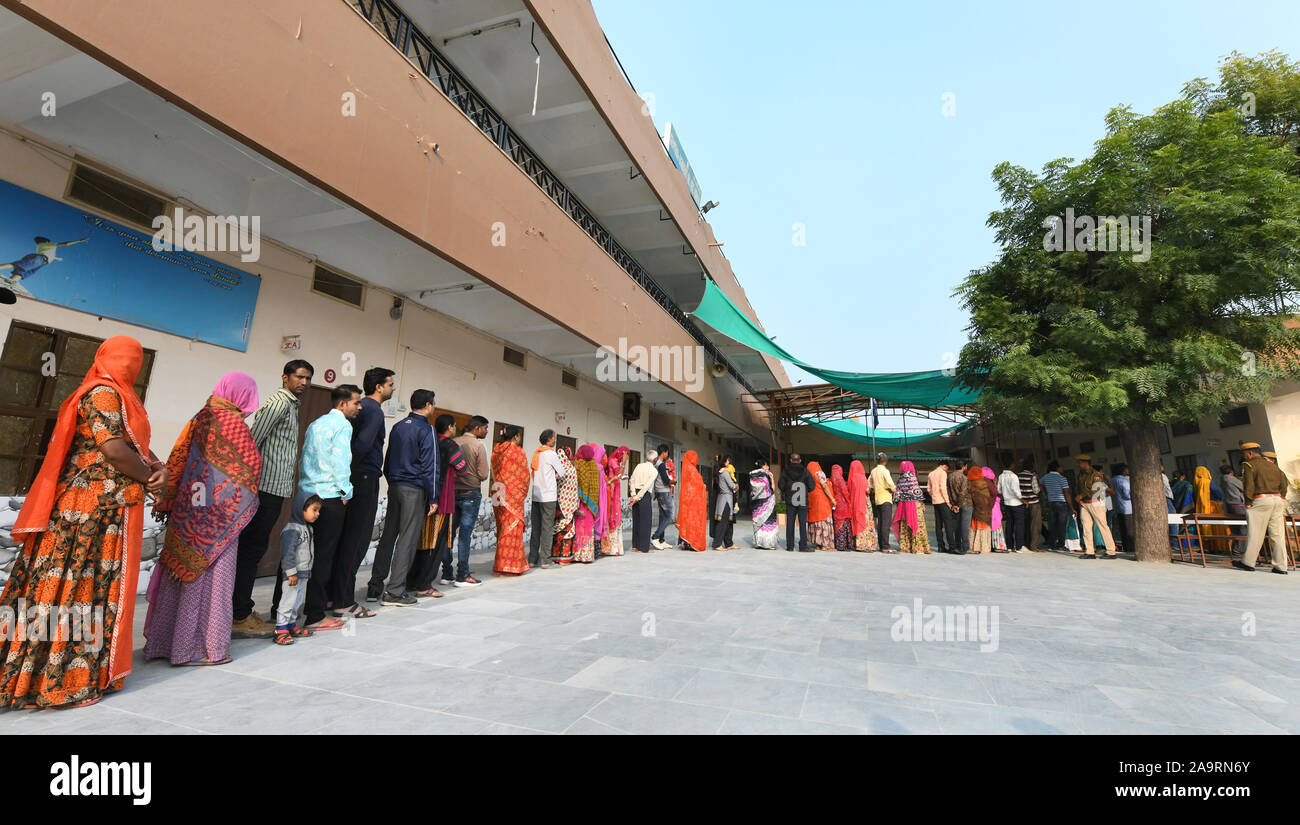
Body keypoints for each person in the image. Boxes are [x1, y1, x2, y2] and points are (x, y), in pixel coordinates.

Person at [0, 336, 164, 709]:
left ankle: (66, 671)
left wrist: (156, 468)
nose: (128, 366)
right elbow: (114, 449)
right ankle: (56, 679)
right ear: (108, 360)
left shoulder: (121, 398)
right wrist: (148, 476)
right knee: (76, 587)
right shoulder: (103, 393)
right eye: (125, 359)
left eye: (133, 360)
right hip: (89, 513)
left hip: (104, 511)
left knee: (82, 589)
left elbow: (133, 444)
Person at [145, 372, 262, 666]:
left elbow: (180, 459)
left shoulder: (201, 416)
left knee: (179, 575)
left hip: (187, 510)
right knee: (214, 581)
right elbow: (248, 472)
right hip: (220, 516)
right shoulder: (233, 424)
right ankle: (202, 648)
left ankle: (165, 644)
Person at [232, 359, 313, 640]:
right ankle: (239, 613)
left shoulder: (291, 405)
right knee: (251, 549)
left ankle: (240, 609)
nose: (303, 382)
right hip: (263, 487)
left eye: (307, 378)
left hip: (276, 489)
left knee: (256, 547)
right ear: (285, 377)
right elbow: (253, 439)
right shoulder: (279, 403)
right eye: (299, 377)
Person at [296, 384, 362, 630]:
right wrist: (346, 491)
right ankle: (315, 615)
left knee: (299, 553)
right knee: (323, 557)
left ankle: (281, 611)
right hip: (330, 497)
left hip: (307, 494)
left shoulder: (315, 424)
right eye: (356, 402)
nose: (359, 407)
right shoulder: (343, 425)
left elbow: (305, 457)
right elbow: (341, 460)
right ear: (342, 404)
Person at [370, 389, 439, 603]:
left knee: (388, 536)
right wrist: (433, 496)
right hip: (413, 489)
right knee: (407, 540)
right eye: (433, 404)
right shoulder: (427, 430)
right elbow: (431, 466)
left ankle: (374, 586)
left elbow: (388, 458)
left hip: (396, 486)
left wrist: (393, 483)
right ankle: (395, 590)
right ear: (427, 405)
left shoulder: (398, 427)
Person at [340, 367, 393, 616]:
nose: (393, 388)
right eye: (390, 384)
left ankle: (336, 597)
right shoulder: (373, 410)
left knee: (348, 539)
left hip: (355, 477)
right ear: (379, 387)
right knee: (357, 540)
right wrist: (355, 471)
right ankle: (344, 601)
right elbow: (362, 444)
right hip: (363, 477)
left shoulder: (365, 409)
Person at [409, 414, 466, 596]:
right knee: (435, 545)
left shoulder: (429, 440)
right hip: (443, 501)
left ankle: (412, 581)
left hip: (424, 497)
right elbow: (462, 468)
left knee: (419, 542)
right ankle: (424, 585)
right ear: (449, 427)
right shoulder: (450, 445)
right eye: (454, 426)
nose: (455, 429)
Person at [1235, 442, 1291, 574]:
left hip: (1260, 500)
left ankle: (1248, 562)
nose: (1245, 457)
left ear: (1249, 453)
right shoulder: (1273, 466)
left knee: (1256, 532)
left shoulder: (1249, 465)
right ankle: (1281, 566)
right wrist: (1281, 496)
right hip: (1277, 500)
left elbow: (1248, 485)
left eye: (1244, 454)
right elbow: (1284, 483)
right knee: (1277, 535)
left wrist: (1248, 501)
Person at [273, 492, 321, 645]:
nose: (317, 514)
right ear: (301, 509)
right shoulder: (292, 529)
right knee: (288, 601)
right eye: (314, 510)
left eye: (318, 510)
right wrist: (291, 572)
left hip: (304, 573)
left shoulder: (308, 528)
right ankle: (280, 629)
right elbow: (288, 553)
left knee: (297, 602)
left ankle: (291, 625)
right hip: (293, 575)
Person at [448, 415, 490, 587]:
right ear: (477, 428)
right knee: (465, 535)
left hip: (452, 492)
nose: (486, 431)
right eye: (486, 428)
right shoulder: (478, 446)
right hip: (470, 494)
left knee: (448, 534)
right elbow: (483, 474)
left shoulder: (453, 442)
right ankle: (463, 574)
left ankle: (446, 572)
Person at [490, 426, 530, 576]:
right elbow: (525, 476)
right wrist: (522, 493)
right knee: (512, 530)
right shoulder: (519, 452)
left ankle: (500, 563)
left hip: (498, 492)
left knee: (502, 529)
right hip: (513, 495)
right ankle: (509, 565)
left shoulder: (496, 451)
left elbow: (493, 471)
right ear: (515, 437)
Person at [528, 429, 565, 567]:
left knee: (536, 528)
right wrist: (553, 477)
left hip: (536, 495)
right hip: (548, 495)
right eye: (554, 438)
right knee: (547, 528)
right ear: (549, 439)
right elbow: (561, 472)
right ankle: (545, 560)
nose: (555, 440)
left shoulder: (536, 453)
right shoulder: (551, 454)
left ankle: (532, 559)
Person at [1074, 454, 1117, 559]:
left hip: (1096, 503)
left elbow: (1096, 489)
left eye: (1079, 462)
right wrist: (1080, 499)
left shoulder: (1096, 474)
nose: (1078, 464)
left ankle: (1111, 551)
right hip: (1085, 504)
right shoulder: (1080, 474)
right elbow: (1079, 487)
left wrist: (1081, 496)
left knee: (1103, 526)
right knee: (1086, 527)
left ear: (1085, 463)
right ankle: (1090, 551)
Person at [571, 444, 604, 562]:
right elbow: (595, 486)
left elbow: (574, 481)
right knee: (588, 527)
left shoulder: (576, 464)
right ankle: (587, 555)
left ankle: (577, 554)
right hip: (591, 503)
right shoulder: (594, 466)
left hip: (578, 502)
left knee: (579, 528)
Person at [892, 460, 930, 554]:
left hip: (903, 506)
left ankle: (906, 547)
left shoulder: (900, 478)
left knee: (905, 526)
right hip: (914, 505)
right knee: (917, 525)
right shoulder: (912, 477)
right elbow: (917, 492)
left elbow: (897, 494)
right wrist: (922, 503)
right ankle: (918, 548)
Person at [1191, 465, 1231, 555]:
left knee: (1205, 526)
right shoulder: (1207, 482)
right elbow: (1218, 493)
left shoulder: (1196, 483)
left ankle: (1209, 547)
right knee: (1217, 527)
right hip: (1212, 506)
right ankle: (1219, 547)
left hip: (1201, 508)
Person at [778, 454, 813, 552]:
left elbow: (781, 485)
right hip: (802, 500)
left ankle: (790, 546)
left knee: (790, 523)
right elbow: (811, 486)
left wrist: (787, 490)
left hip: (790, 500)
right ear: (800, 460)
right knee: (802, 523)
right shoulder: (805, 471)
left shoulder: (786, 471)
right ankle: (803, 546)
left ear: (791, 460)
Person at [552, 446, 580, 563]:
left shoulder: (558, 469)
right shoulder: (571, 469)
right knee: (568, 530)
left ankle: (555, 555)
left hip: (558, 505)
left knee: (557, 529)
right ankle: (566, 555)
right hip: (569, 506)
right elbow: (574, 489)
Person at [628, 450, 659, 552]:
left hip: (635, 493)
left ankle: (635, 545)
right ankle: (644, 547)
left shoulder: (639, 466)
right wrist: (637, 497)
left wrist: (633, 494)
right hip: (644, 495)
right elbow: (646, 486)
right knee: (645, 521)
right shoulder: (654, 471)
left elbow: (631, 480)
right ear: (655, 460)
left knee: (637, 520)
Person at [676, 450, 707, 552]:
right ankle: (692, 542)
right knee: (693, 521)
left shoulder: (686, 468)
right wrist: (703, 487)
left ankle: (685, 542)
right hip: (693, 500)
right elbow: (698, 484)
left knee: (687, 520)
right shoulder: (692, 469)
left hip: (687, 499)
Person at [603, 447, 631, 556]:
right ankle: (612, 548)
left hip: (615, 487)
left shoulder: (614, 461)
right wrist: (623, 462)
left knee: (615, 514)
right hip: (612, 488)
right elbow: (618, 475)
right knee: (613, 515)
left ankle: (616, 548)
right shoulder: (613, 461)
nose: (627, 458)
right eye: (626, 455)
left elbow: (619, 475)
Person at [1040, 460, 1072, 551]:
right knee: (1062, 525)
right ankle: (1061, 545)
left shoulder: (1045, 477)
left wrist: (1046, 493)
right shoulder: (1062, 478)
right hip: (1061, 503)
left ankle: (1051, 544)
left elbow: (1039, 484)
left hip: (1051, 502)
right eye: (1061, 467)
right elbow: (1066, 493)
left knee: (1053, 524)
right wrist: (1071, 506)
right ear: (1057, 468)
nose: (1062, 468)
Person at [748, 460, 780, 549]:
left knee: (758, 522)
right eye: (767, 465)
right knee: (768, 522)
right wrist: (772, 478)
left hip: (756, 504)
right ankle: (769, 544)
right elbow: (772, 489)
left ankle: (759, 543)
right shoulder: (765, 476)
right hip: (767, 503)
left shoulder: (752, 476)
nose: (768, 467)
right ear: (763, 466)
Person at [847, 460, 878, 551]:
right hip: (864, 503)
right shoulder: (862, 477)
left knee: (856, 521)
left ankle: (857, 543)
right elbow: (867, 490)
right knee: (865, 522)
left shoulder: (851, 478)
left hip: (854, 504)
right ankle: (865, 544)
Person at [805, 460, 836, 550]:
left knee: (815, 522)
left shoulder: (808, 475)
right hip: (822, 500)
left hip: (812, 501)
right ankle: (825, 544)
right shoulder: (819, 473)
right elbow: (825, 486)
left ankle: (818, 543)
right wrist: (832, 498)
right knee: (824, 521)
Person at [651, 445, 676, 550]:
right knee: (669, 515)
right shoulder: (661, 465)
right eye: (667, 453)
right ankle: (655, 537)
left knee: (663, 516)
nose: (667, 455)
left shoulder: (657, 464)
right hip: (664, 492)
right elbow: (666, 480)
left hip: (659, 492)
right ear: (664, 452)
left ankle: (662, 540)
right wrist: (673, 481)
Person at [998, 461, 1025, 552]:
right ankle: (1019, 547)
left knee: (1009, 524)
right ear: (1012, 465)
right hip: (1016, 503)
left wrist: (1006, 494)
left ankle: (1009, 546)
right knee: (1019, 525)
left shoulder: (1001, 476)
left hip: (1007, 503)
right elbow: (1016, 490)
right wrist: (1022, 499)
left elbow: (999, 490)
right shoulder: (1013, 476)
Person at [712, 455, 738, 550]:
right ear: (724, 462)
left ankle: (728, 543)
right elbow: (732, 486)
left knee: (727, 523)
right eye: (727, 461)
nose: (728, 462)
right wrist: (736, 485)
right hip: (726, 499)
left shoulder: (719, 472)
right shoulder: (725, 473)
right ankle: (717, 544)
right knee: (723, 523)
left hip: (722, 498)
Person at [870, 453, 896, 552]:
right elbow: (890, 483)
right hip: (885, 498)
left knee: (880, 523)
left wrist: (872, 489)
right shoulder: (885, 471)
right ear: (885, 461)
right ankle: (885, 546)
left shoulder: (873, 471)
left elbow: (869, 483)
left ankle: (882, 545)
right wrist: (894, 490)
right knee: (886, 523)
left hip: (877, 499)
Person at [927, 460, 954, 553]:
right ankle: (951, 546)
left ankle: (940, 546)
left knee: (938, 524)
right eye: (947, 468)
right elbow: (943, 488)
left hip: (935, 501)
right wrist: (948, 502)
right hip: (942, 501)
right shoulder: (942, 473)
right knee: (948, 524)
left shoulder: (931, 474)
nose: (946, 470)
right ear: (944, 466)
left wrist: (934, 496)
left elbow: (928, 489)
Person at [947, 458, 972, 553]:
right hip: (965, 504)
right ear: (964, 467)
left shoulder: (949, 476)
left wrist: (953, 504)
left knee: (957, 526)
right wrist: (958, 504)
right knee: (965, 526)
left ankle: (957, 545)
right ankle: (965, 546)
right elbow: (963, 493)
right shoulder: (964, 478)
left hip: (954, 504)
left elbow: (948, 492)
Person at [1018, 459, 1043, 552]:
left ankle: (1025, 544)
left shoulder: (1018, 476)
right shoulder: (1032, 476)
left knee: (1025, 524)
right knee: (1035, 525)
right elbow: (1036, 490)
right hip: (1033, 503)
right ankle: (1034, 546)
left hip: (1022, 503)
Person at [967, 465, 992, 554]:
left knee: (975, 527)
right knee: (983, 527)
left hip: (976, 510)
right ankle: (984, 547)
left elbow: (971, 498)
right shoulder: (984, 483)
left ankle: (974, 546)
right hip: (986, 510)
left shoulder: (971, 484)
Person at [983, 466, 1008, 552]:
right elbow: (994, 493)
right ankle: (998, 546)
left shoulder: (980, 482)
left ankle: (990, 545)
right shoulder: (989, 483)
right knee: (996, 527)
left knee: (989, 527)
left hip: (985, 507)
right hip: (993, 507)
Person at [1221, 462, 1246, 540]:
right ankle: (1240, 547)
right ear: (1231, 471)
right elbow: (1243, 487)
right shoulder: (1231, 479)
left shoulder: (1222, 479)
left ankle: (1235, 546)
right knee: (1244, 525)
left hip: (1228, 504)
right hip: (1237, 504)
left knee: (1234, 526)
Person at [1112, 465, 1133, 553]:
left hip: (1118, 507)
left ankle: (1126, 547)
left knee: (1123, 529)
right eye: (1126, 469)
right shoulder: (1123, 480)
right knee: (1130, 530)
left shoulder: (1112, 480)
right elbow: (1127, 495)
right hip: (1127, 508)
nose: (1128, 471)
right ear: (1123, 471)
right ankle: (1131, 548)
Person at [831, 465, 853, 551]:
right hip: (842, 502)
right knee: (844, 522)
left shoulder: (832, 479)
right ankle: (845, 543)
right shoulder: (840, 479)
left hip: (836, 502)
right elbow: (844, 491)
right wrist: (848, 501)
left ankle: (839, 544)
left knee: (838, 522)